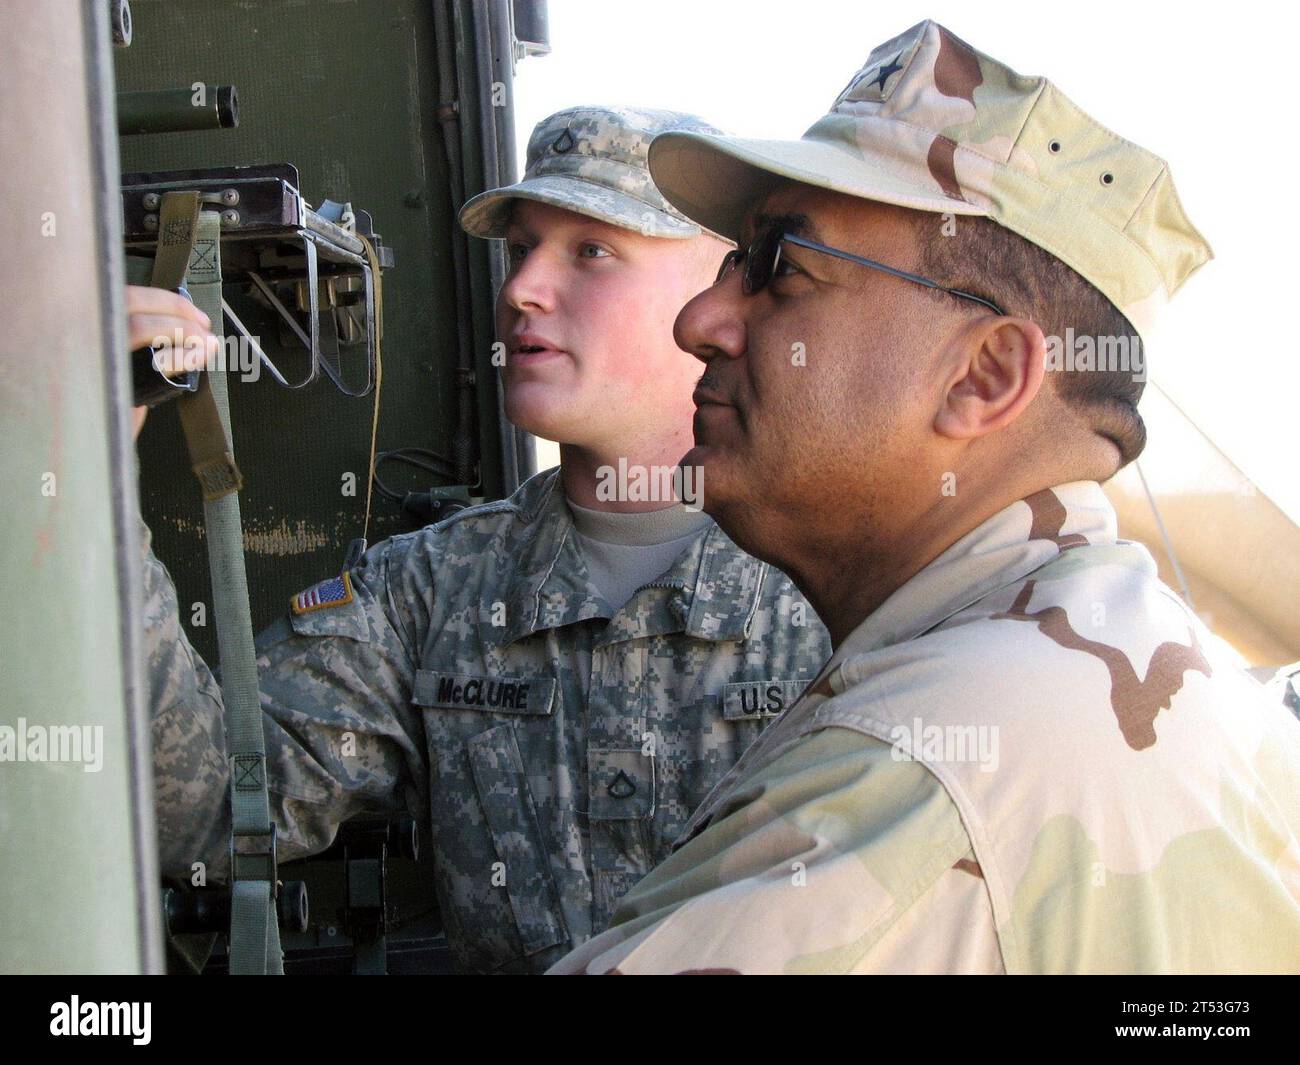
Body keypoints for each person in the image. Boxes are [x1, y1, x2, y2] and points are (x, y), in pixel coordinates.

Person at [550, 22, 1300, 974]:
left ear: (982, 378)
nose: (700, 320)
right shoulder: (1170, 680)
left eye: (780, 267)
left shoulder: (915, 772)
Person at [133, 106, 830, 974]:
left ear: (716, 291)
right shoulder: (433, 589)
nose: (521, 289)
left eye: (591, 250)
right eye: (520, 249)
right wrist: (88, 466)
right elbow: (203, 812)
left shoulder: (839, 581)